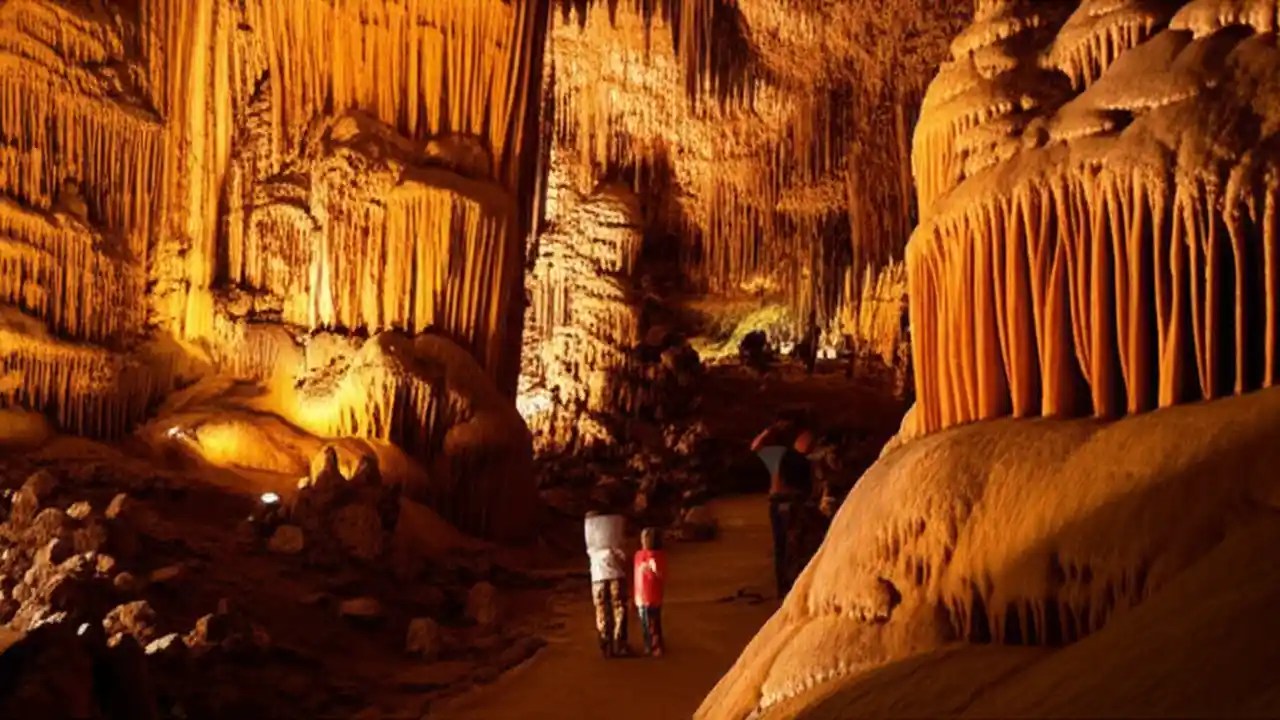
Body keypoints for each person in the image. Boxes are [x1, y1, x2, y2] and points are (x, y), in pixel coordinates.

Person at [751, 414, 815, 598]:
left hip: (787, 504)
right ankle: (786, 586)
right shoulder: (780, 455)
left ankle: (787, 586)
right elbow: (756, 447)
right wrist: (771, 429)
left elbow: (756, 446)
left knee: (788, 547)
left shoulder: (798, 459)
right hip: (785, 504)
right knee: (787, 547)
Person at [584, 510, 630, 657]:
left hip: (597, 578)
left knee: (601, 610)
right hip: (617, 576)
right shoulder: (614, 543)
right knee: (619, 608)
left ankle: (605, 645)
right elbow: (623, 558)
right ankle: (620, 643)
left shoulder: (592, 547)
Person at [634, 527, 667, 657]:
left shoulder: (639, 555)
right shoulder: (659, 556)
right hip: (654, 595)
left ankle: (650, 646)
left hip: (642, 596)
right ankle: (656, 646)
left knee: (646, 624)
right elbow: (662, 575)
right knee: (655, 622)